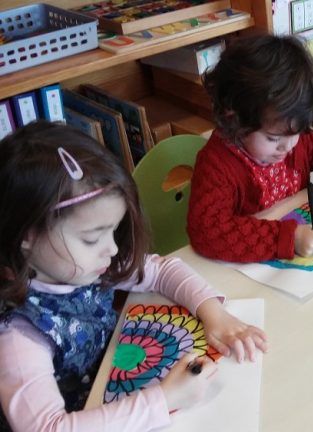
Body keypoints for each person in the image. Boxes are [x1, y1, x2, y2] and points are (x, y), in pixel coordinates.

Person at [0, 122, 268, 431]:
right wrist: (164, 400)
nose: (112, 249)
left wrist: (214, 314)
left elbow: (161, 269)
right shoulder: (19, 336)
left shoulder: (82, 266)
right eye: (91, 238)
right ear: (26, 235)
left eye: (113, 231)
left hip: (116, 385)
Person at [188, 34, 313, 263]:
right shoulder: (216, 166)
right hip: (246, 271)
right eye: (273, 138)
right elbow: (208, 231)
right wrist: (288, 238)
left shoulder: (296, 141)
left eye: (296, 133)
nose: (288, 146)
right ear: (234, 119)